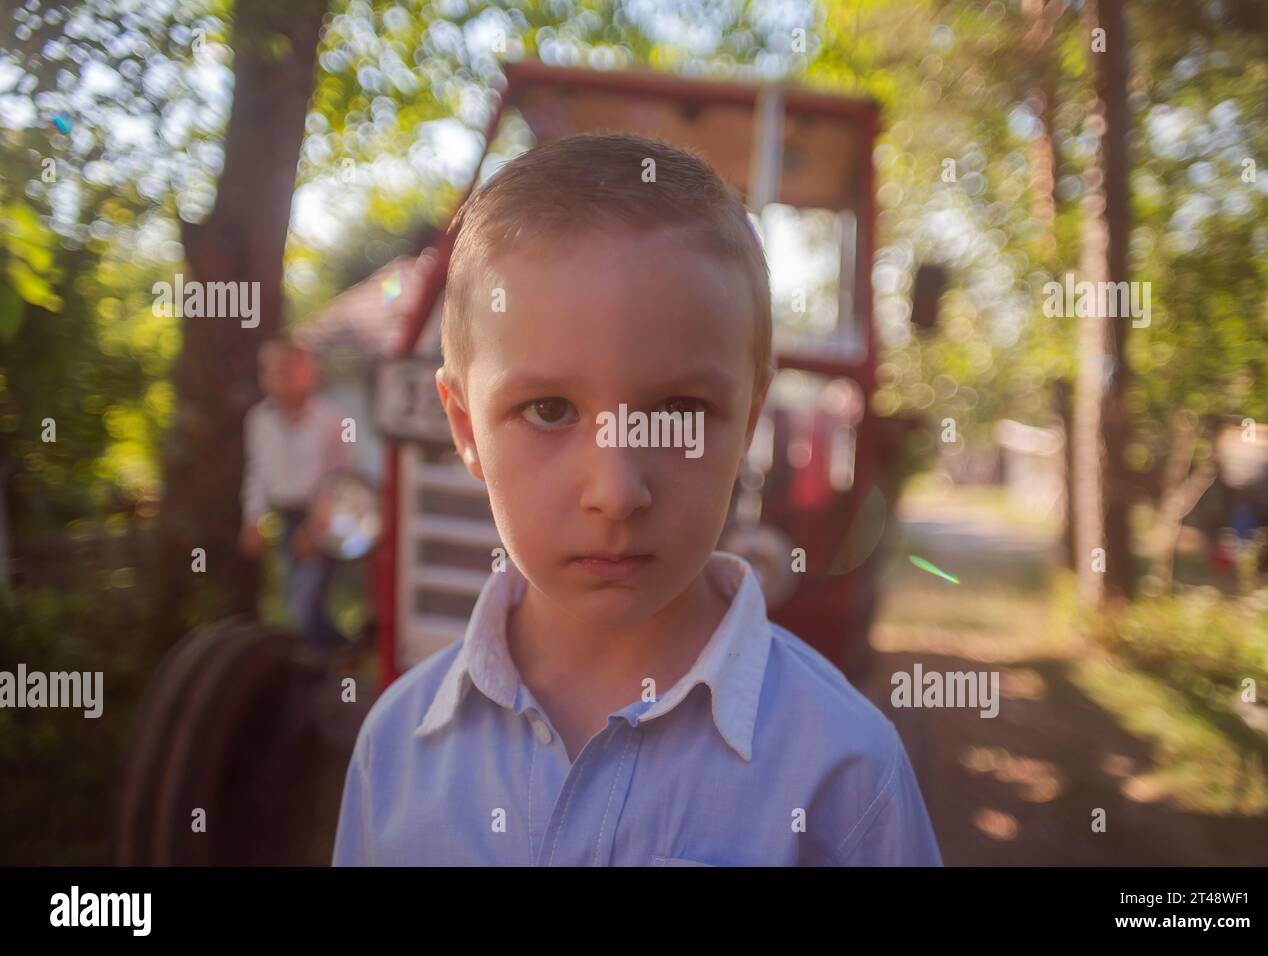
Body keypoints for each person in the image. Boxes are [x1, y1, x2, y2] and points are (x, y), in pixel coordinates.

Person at [332, 133, 942, 866]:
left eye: (679, 413)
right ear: (465, 427)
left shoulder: (847, 776)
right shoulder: (394, 752)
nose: (617, 492)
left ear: (748, 422)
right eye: (549, 410)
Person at [240, 337, 351, 652]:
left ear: (308, 372)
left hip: (321, 520)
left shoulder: (330, 422)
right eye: (270, 369)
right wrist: (253, 519)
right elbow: (257, 473)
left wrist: (314, 530)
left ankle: (342, 653)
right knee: (291, 605)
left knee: (303, 606)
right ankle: (334, 658)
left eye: (288, 367)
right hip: (283, 519)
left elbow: (340, 481)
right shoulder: (258, 420)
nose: (279, 376)